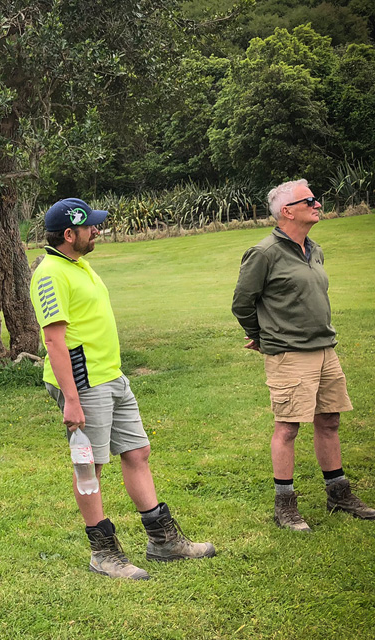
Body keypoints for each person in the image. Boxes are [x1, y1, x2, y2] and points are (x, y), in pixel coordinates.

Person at [30, 198, 216, 580]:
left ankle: (162, 541)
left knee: (137, 451)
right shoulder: (50, 273)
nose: (97, 230)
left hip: (111, 376)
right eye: (91, 226)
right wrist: (71, 400)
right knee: (89, 466)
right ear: (69, 234)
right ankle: (103, 554)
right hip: (83, 383)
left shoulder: (78, 264)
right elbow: (54, 342)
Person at [232, 179, 374, 531]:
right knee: (288, 427)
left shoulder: (315, 249)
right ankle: (285, 507)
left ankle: (338, 494)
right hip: (290, 354)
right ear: (287, 211)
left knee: (329, 421)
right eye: (309, 200)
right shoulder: (264, 253)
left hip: (325, 349)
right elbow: (242, 302)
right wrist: (262, 335)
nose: (318, 204)